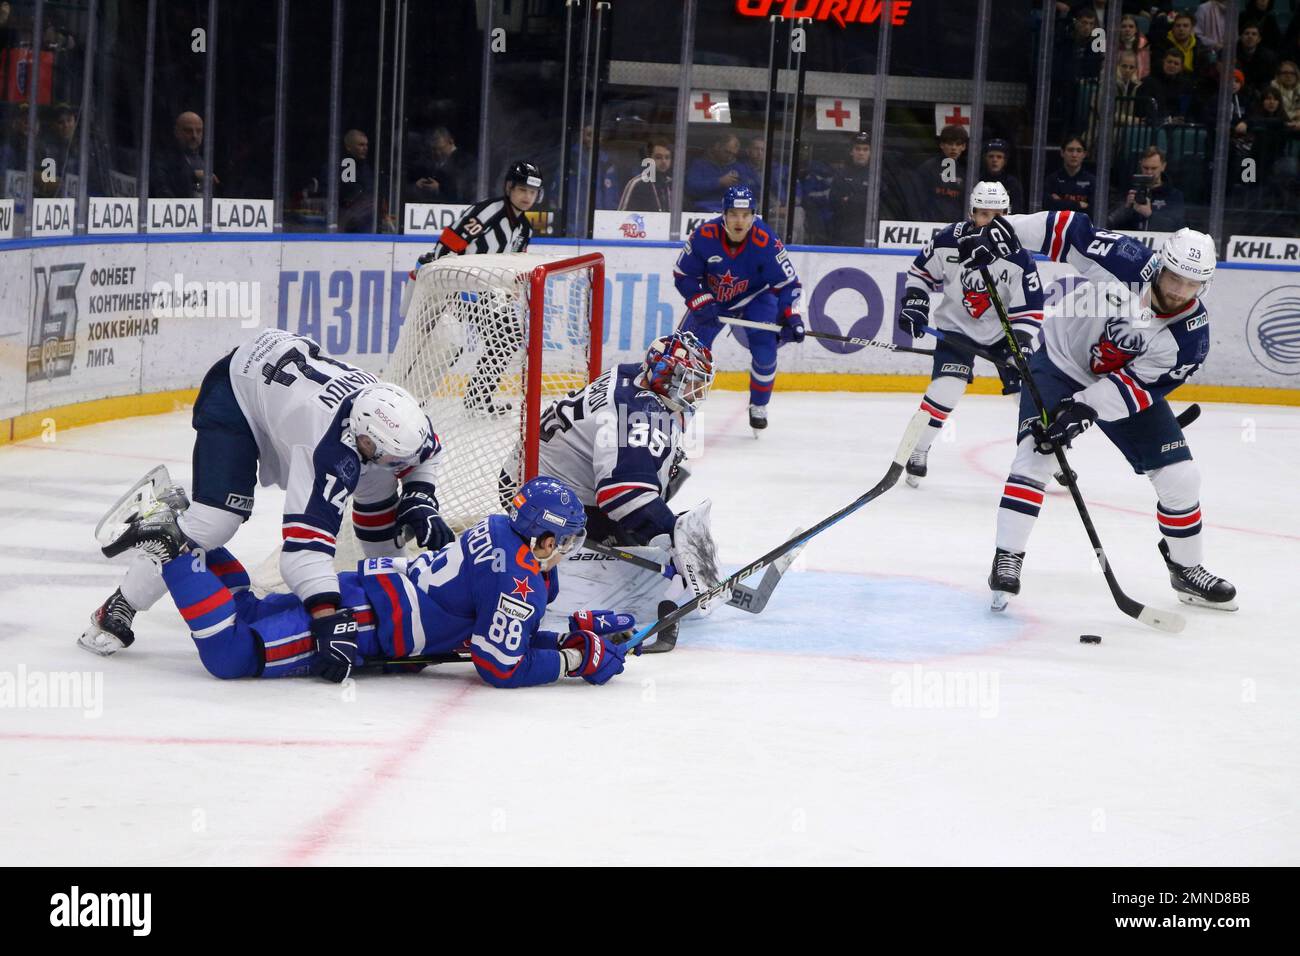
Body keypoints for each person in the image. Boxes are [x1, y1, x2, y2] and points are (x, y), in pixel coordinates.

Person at [81, 329, 452, 656]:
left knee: (379, 495)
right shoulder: (325, 448)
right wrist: (329, 618)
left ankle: (396, 595)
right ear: (359, 438)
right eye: (386, 456)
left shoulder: (399, 420)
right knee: (214, 522)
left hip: (281, 374)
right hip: (238, 391)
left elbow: (424, 456)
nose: (396, 463)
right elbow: (302, 553)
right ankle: (121, 603)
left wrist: (421, 495)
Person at [99, 475, 628, 687]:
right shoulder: (520, 582)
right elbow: (499, 665)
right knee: (233, 655)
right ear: (542, 537)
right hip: (363, 624)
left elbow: (485, 622)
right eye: (566, 539)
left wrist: (565, 633)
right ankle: (170, 548)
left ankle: (186, 525)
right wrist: (573, 660)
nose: (570, 548)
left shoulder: (497, 529)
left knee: (251, 612)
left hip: (362, 592)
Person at [957, 214, 1236, 613]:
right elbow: (1067, 229)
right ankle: (1007, 558)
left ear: (1205, 284)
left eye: (1192, 284)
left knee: (1181, 476)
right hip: (1058, 362)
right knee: (1036, 454)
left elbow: (1138, 388)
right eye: (1175, 277)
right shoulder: (1124, 261)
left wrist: (1083, 410)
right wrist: (1000, 232)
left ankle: (1186, 569)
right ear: (1160, 264)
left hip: (1120, 386)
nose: (1179, 291)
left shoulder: (1190, 337)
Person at [535, 331, 729, 629]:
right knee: (641, 529)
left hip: (541, 469)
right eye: (690, 382)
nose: (697, 392)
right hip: (545, 496)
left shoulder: (632, 374)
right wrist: (672, 536)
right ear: (666, 377)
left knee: (666, 475)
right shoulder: (636, 413)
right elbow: (621, 495)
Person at [897, 182, 1044, 488]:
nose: (990, 221)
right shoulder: (949, 240)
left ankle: (1049, 456)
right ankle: (918, 449)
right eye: (983, 214)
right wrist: (915, 301)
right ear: (971, 212)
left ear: (1008, 215)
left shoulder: (1018, 255)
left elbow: (1030, 308)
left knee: (1028, 393)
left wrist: (1024, 341)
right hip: (957, 327)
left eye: (998, 215)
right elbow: (920, 274)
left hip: (1004, 332)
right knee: (947, 388)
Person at [399, 160, 542, 415]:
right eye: (522, 190)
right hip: (446, 287)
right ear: (509, 187)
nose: (527, 197)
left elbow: (513, 267)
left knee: (507, 336)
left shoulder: (524, 228)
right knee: (441, 343)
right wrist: (448, 291)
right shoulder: (488, 212)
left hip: (482, 294)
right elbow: (445, 247)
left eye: (532, 192)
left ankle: (478, 399)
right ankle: (407, 401)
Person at [674, 185, 805, 432]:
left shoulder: (766, 242)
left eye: (746, 215)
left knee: (766, 351)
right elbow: (683, 275)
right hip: (713, 299)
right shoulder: (704, 236)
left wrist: (792, 316)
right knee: (688, 354)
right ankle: (679, 412)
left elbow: (789, 284)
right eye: (733, 214)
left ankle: (759, 405)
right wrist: (702, 302)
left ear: (754, 216)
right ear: (723, 214)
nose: (739, 221)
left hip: (755, 298)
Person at [1109, 145, 1186, 232]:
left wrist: (1150, 215)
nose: (1149, 172)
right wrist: (1126, 207)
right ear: (1140, 165)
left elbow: (1178, 228)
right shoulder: (1129, 191)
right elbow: (1110, 224)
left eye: (1154, 168)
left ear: (1163, 166)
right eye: (1146, 168)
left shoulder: (1173, 195)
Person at [151, 111, 218, 198]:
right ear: (176, 132)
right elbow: (161, 189)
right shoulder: (162, 159)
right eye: (188, 131)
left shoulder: (203, 161)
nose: (194, 136)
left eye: (199, 131)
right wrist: (193, 175)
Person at [912, 124, 970, 223]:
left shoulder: (968, 170)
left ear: (963, 147)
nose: (954, 148)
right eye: (950, 144)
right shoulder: (927, 169)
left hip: (958, 225)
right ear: (942, 145)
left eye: (958, 144)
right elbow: (917, 200)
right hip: (929, 224)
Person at [829, 131, 873, 245]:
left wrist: (851, 199)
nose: (861, 153)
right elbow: (834, 202)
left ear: (870, 152)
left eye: (865, 149)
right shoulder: (841, 174)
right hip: (843, 235)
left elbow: (879, 205)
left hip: (869, 235)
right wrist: (863, 199)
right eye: (858, 149)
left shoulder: (876, 176)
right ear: (851, 152)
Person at [684, 131, 744, 212]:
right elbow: (690, 188)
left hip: (731, 212)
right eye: (727, 152)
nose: (729, 157)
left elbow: (752, 191)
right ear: (717, 146)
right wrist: (719, 182)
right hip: (703, 211)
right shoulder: (699, 164)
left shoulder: (739, 167)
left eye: (733, 154)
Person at [1144, 48, 1199, 125]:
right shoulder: (1151, 82)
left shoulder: (1187, 86)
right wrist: (1169, 120)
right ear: (1163, 62)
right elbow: (1148, 109)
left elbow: (1190, 110)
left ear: (1181, 67)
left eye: (1176, 63)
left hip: (1180, 126)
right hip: (1156, 124)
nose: (1172, 65)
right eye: (1169, 62)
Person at [617, 138, 673, 212]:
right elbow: (621, 217)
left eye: (667, 157)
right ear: (649, 158)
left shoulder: (673, 185)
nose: (664, 161)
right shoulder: (637, 184)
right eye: (658, 157)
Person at [1044, 134, 1095, 212]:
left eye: (1079, 151)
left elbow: (1093, 210)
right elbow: (1048, 205)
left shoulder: (1092, 181)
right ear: (1062, 153)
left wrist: (1060, 202)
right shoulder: (1052, 180)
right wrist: (1078, 205)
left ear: (1084, 154)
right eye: (1070, 150)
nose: (1074, 155)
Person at [978, 139, 1025, 213]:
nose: (994, 160)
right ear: (985, 159)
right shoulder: (977, 180)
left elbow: (1017, 210)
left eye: (999, 157)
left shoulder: (1012, 183)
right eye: (991, 156)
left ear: (1005, 161)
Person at [1237, 22, 1279, 94]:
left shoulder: (1269, 57)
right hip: (1238, 91)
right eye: (1247, 33)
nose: (1250, 36)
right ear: (1241, 37)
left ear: (1259, 39)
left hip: (1261, 94)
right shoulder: (1231, 54)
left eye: (1254, 34)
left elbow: (1270, 79)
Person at [1117, 14, 1151, 79]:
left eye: (1131, 26)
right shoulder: (1113, 45)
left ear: (1136, 30)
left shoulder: (1143, 45)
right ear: (1119, 29)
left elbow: (1145, 71)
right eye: (1124, 26)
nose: (1127, 29)